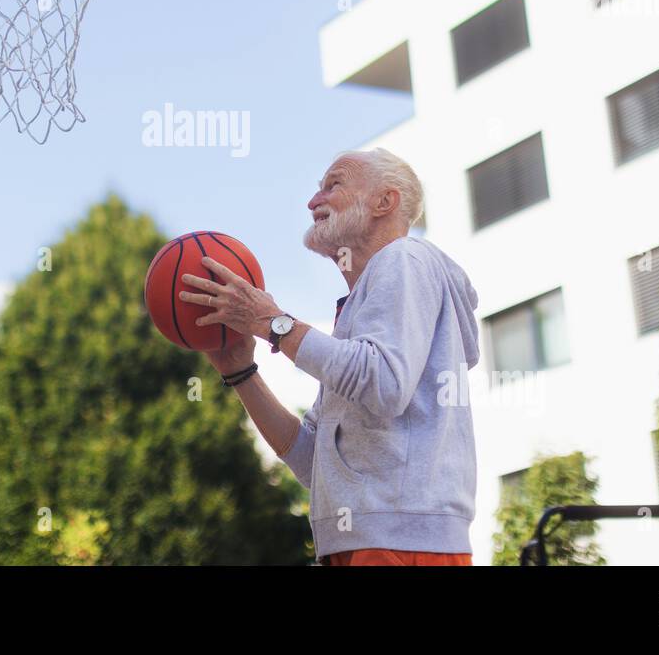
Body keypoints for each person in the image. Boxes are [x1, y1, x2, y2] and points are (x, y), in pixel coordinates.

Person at [179, 148, 480, 566]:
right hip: (360, 541)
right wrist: (241, 372)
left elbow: (385, 384)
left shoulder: (405, 258)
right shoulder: (358, 316)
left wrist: (273, 323)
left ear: (384, 202)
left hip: (400, 542)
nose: (312, 201)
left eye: (333, 184)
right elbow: (312, 462)